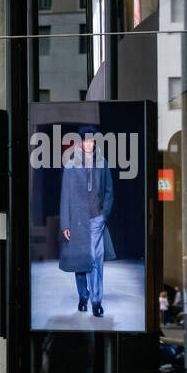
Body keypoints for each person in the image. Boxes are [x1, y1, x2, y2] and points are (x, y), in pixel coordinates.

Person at [59, 126, 115, 318]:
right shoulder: (71, 165)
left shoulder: (103, 163)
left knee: (95, 260)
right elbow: (65, 195)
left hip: (96, 219)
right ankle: (83, 296)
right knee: (80, 260)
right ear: (81, 142)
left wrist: (104, 215)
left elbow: (109, 191)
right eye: (86, 141)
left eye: (92, 141)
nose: (89, 144)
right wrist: (65, 223)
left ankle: (96, 301)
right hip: (77, 222)